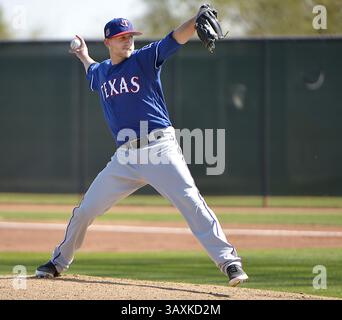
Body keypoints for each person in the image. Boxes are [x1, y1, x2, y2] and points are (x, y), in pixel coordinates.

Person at [35, 11, 248, 287]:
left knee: (191, 201)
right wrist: (83, 55)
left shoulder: (144, 60)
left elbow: (173, 39)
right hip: (125, 157)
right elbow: (91, 69)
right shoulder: (101, 73)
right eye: (121, 38)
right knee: (85, 210)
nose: (128, 41)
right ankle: (58, 262)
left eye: (130, 36)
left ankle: (229, 261)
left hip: (160, 148)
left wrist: (194, 23)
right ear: (108, 41)